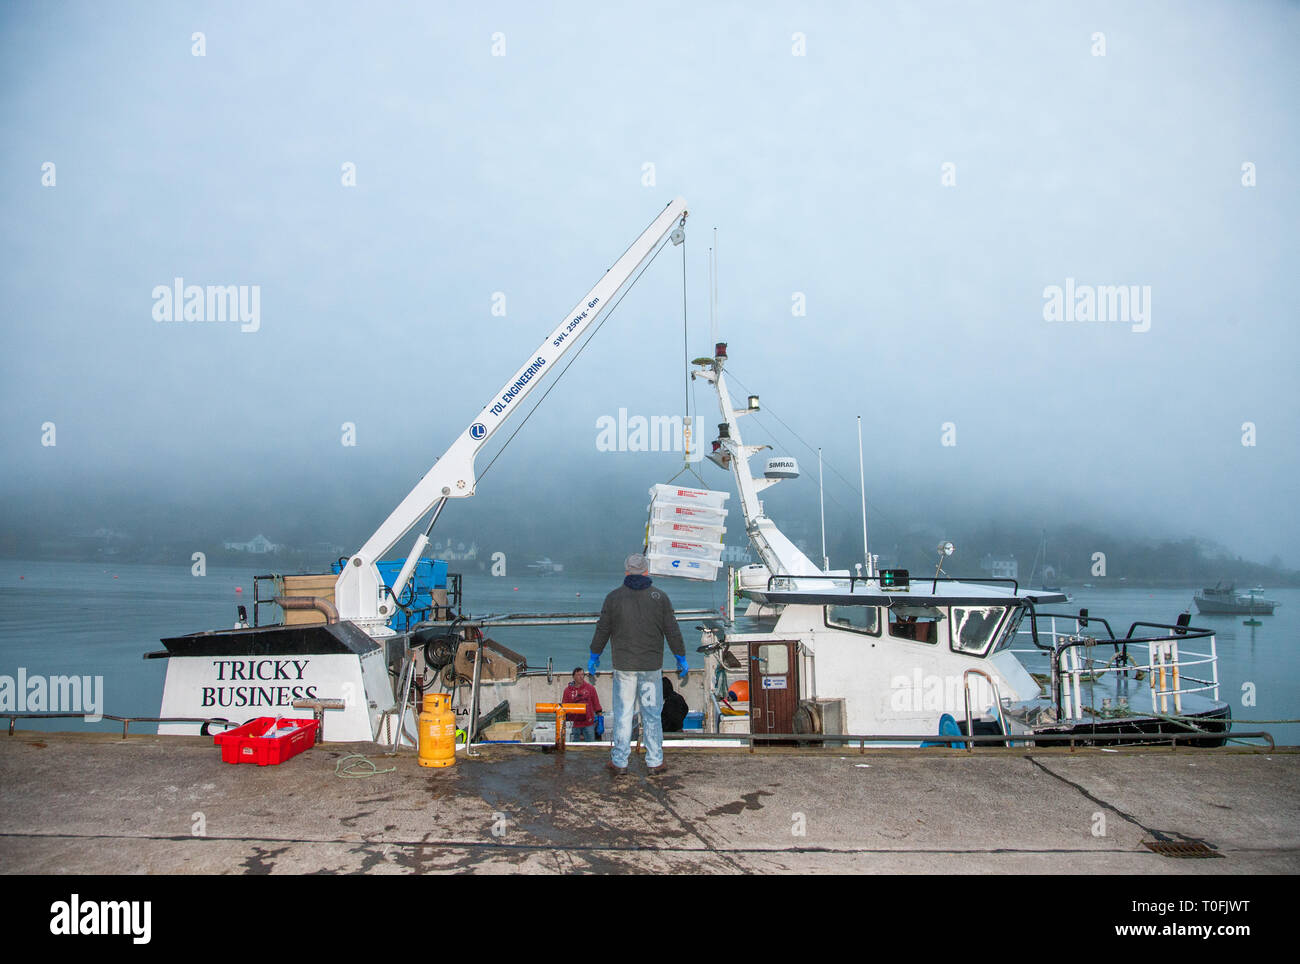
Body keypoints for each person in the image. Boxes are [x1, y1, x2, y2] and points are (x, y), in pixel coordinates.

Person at [588, 553, 688, 775]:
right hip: (651, 668)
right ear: (646, 572)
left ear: (626, 572)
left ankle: (620, 762)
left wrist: (594, 655)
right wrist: (680, 656)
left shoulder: (613, 598)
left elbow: (602, 629)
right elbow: (672, 630)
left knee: (623, 714)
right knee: (652, 715)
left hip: (624, 668)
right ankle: (655, 761)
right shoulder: (660, 597)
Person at [562, 667, 602, 742]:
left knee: (590, 746)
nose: (581, 677)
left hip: (588, 723)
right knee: (576, 748)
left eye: (582, 674)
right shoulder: (567, 691)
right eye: (578, 675)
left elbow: (596, 704)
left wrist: (600, 720)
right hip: (574, 724)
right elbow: (564, 707)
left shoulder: (590, 688)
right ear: (573, 677)